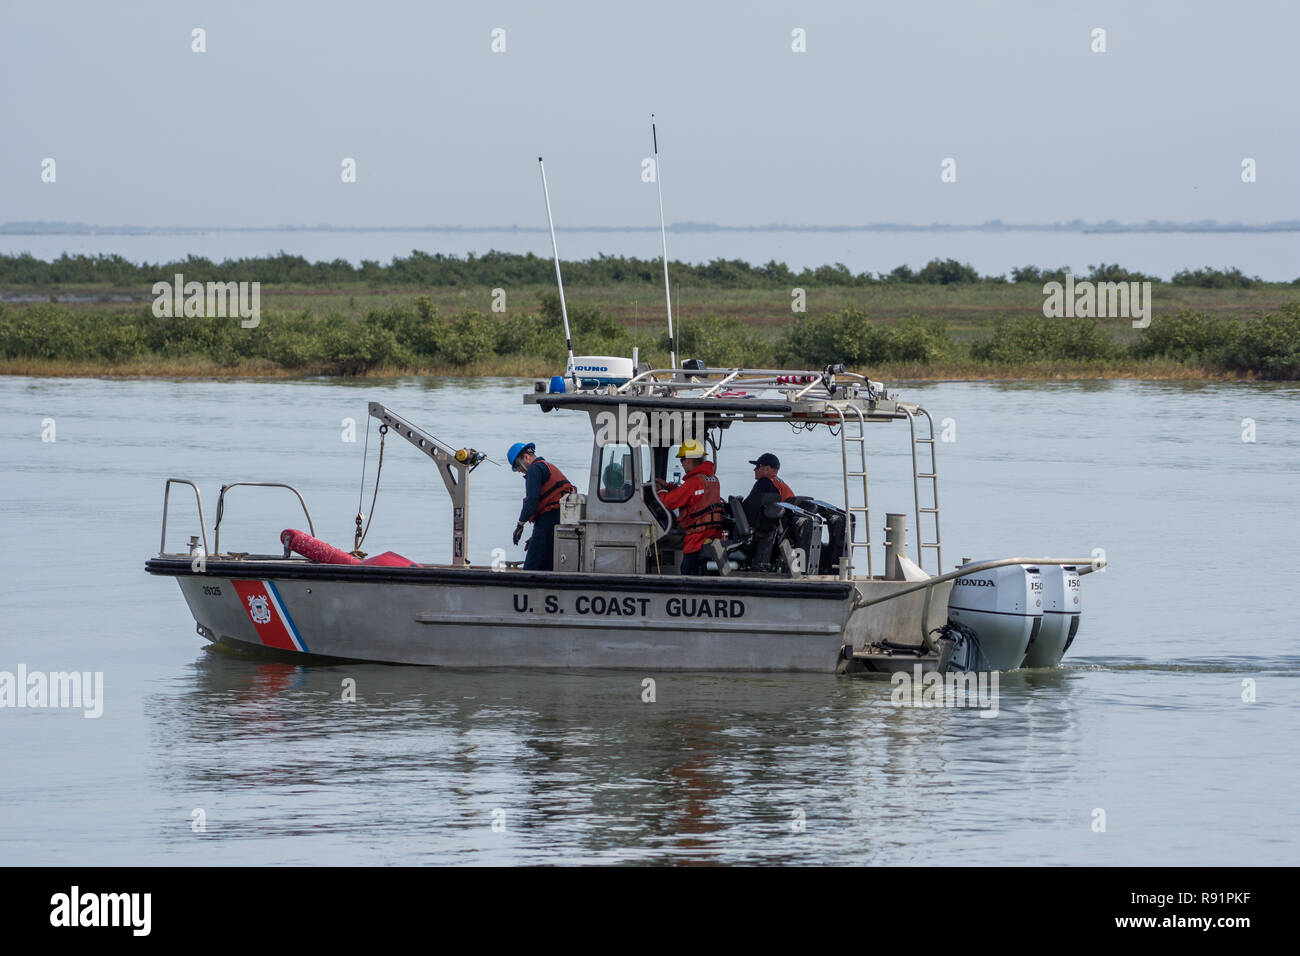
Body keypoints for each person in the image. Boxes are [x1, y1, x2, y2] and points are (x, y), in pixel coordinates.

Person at [655, 439, 727, 575]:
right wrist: (668, 486)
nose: (681, 464)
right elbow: (691, 495)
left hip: (697, 540)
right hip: (713, 536)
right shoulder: (712, 479)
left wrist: (658, 491)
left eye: (682, 460)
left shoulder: (694, 482)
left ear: (688, 460)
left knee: (687, 574)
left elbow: (668, 502)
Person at [508, 441, 576, 571]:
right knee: (549, 561)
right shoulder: (548, 467)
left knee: (532, 565)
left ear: (526, 457)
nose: (520, 471)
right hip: (561, 518)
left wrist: (520, 525)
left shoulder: (534, 469)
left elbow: (532, 500)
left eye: (518, 466)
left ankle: (527, 588)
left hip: (549, 518)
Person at [742, 452, 794, 521]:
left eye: (758, 466)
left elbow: (747, 507)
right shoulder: (780, 483)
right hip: (784, 525)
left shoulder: (765, 482)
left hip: (774, 526)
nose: (754, 469)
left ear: (767, 468)